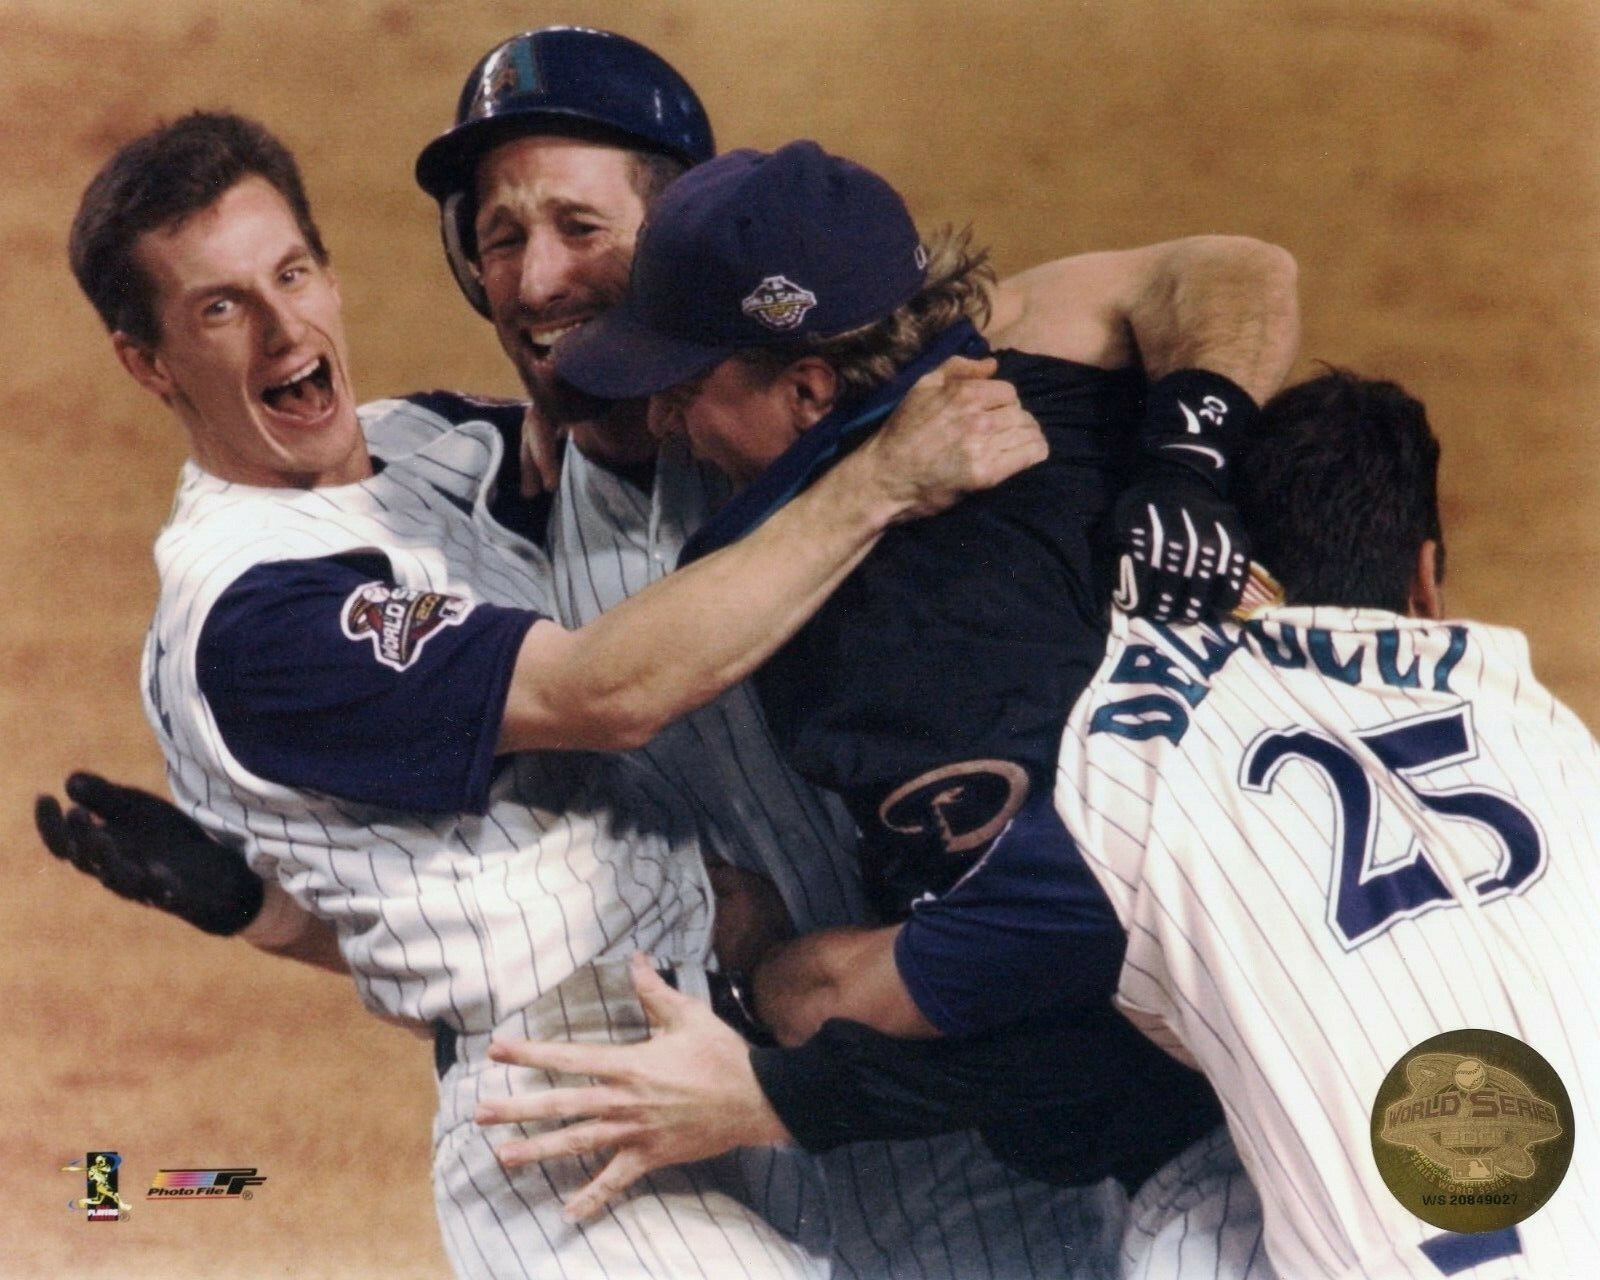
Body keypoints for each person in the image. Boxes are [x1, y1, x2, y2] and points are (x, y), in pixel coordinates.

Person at [40, 27, 1299, 1279]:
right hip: (632, 1079)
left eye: (580, 230)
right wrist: (879, 483)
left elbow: (1215, 269)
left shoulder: (464, 455)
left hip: (912, 1066)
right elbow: (562, 760)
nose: (535, 280)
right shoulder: (478, 532)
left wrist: (1191, 458)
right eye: (499, 237)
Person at [479, 370, 1600, 1280]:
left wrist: (761, 1031)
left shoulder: (1151, 769)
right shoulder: (1552, 741)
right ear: (1426, 579)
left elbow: (842, 998)